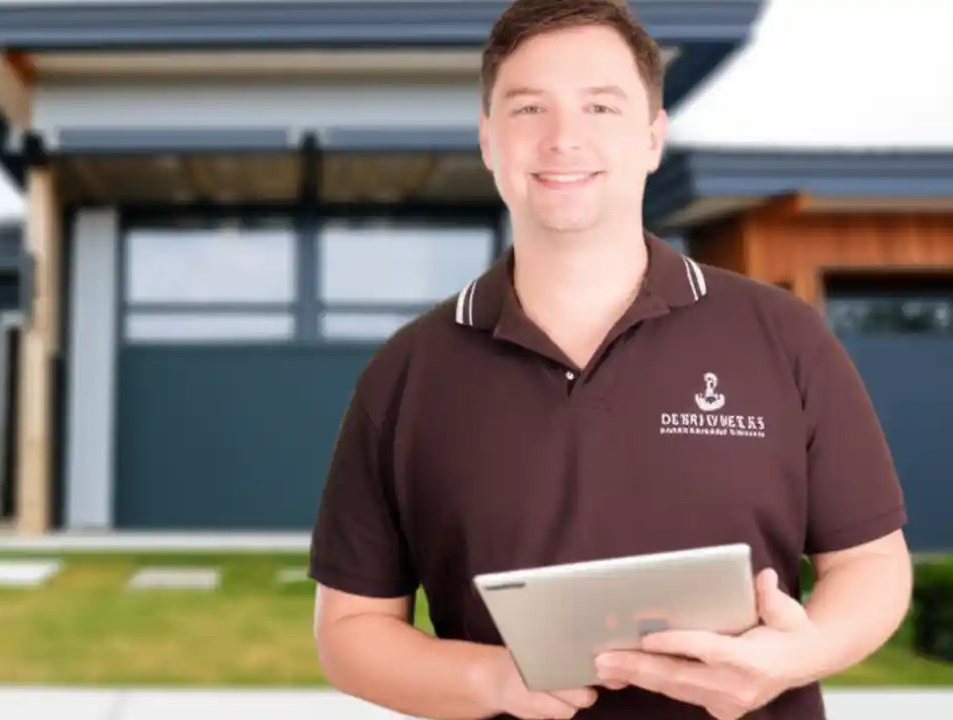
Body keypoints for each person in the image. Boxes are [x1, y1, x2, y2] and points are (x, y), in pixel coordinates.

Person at [307, 1, 912, 718]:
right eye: (530, 108)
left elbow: (871, 565)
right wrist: (496, 681)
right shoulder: (406, 374)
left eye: (601, 106)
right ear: (488, 140)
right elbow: (350, 630)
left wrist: (792, 658)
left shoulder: (783, 335)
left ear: (653, 138)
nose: (565, 138)